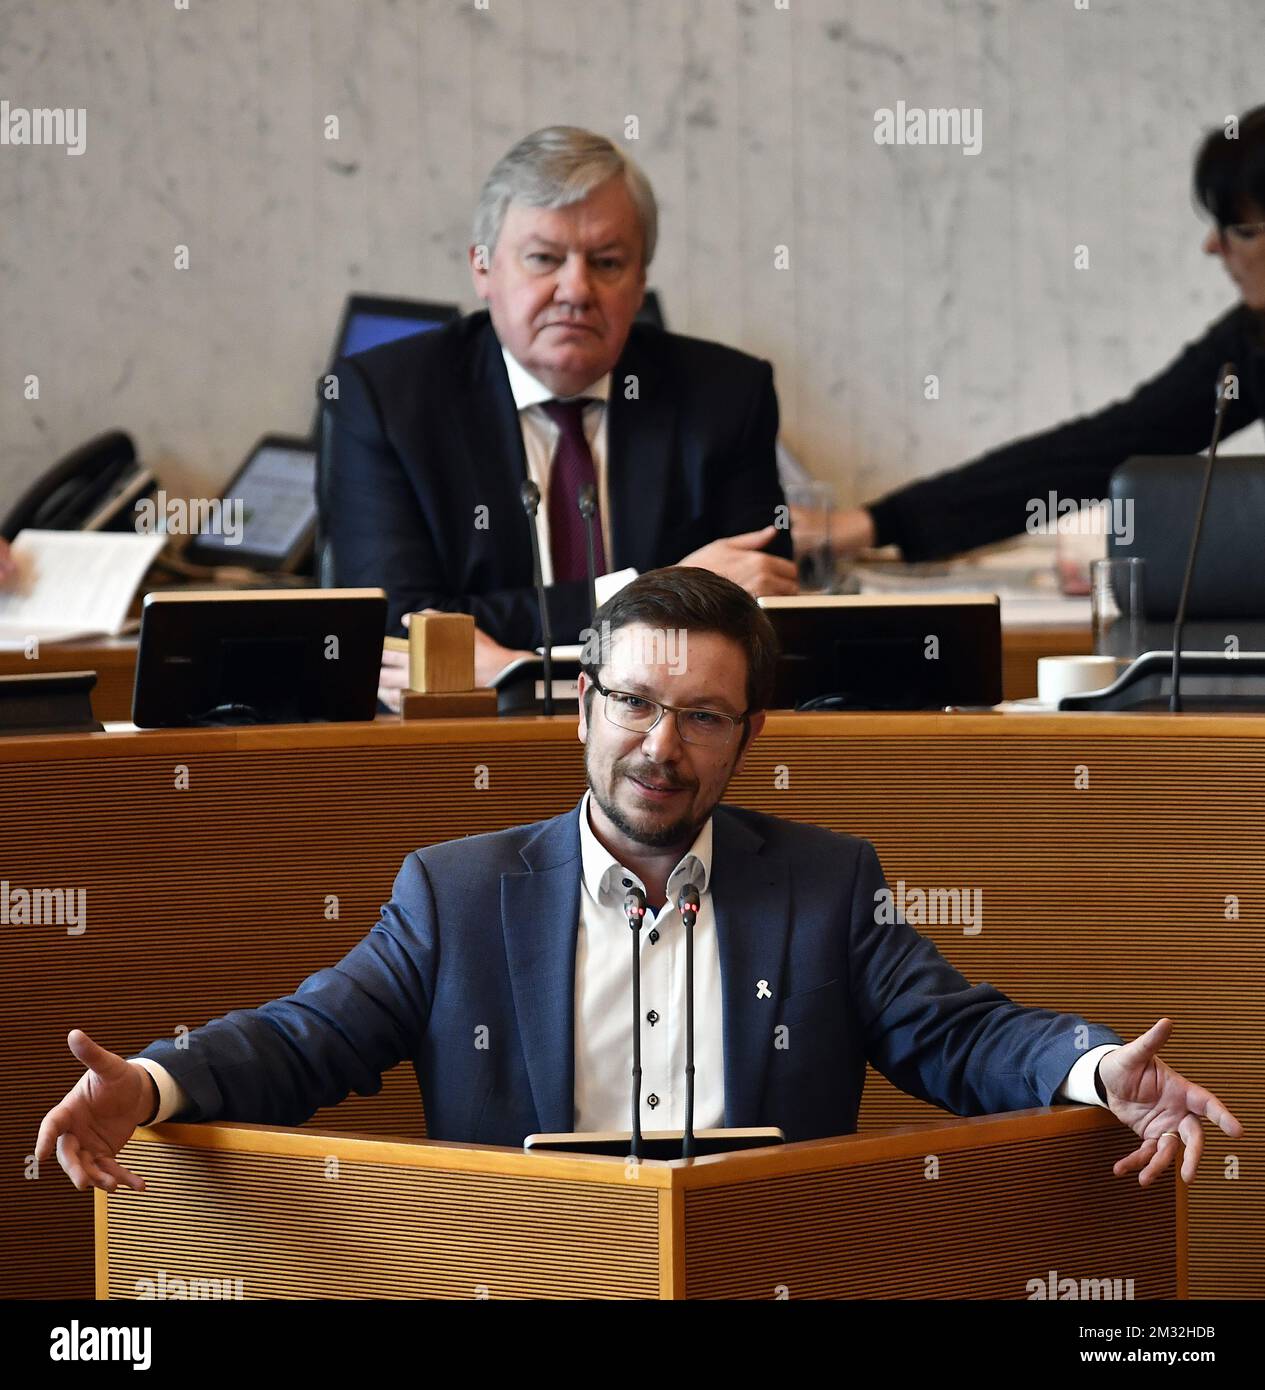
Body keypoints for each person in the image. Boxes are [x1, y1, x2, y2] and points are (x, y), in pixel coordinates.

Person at [37, 567, 1240, 1192]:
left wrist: (1091, 1069)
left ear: (747, 731)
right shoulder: (455, 894)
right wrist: (147, 1085)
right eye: (633, 705)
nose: (659, 747)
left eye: (701, 717)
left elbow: (961, 1036)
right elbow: (307, 1038)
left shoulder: (824, 886)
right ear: (580, 707)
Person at [318, 125, 796, 708]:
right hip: (462, 739)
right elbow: (400, 628)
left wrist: (514, 668)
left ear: (641, 280)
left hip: (665, 742)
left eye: (608, 262)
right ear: (483, 269)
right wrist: (646, 593)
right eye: (544, 259)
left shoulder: (725, 396)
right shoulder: (384, 399)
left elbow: (753, 621)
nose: (576, 289)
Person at [832, 106, 1265, 562]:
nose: (1213, 246)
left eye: (1239, 228)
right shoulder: (1251, 341)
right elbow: (1106, 446)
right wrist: (878, 523)